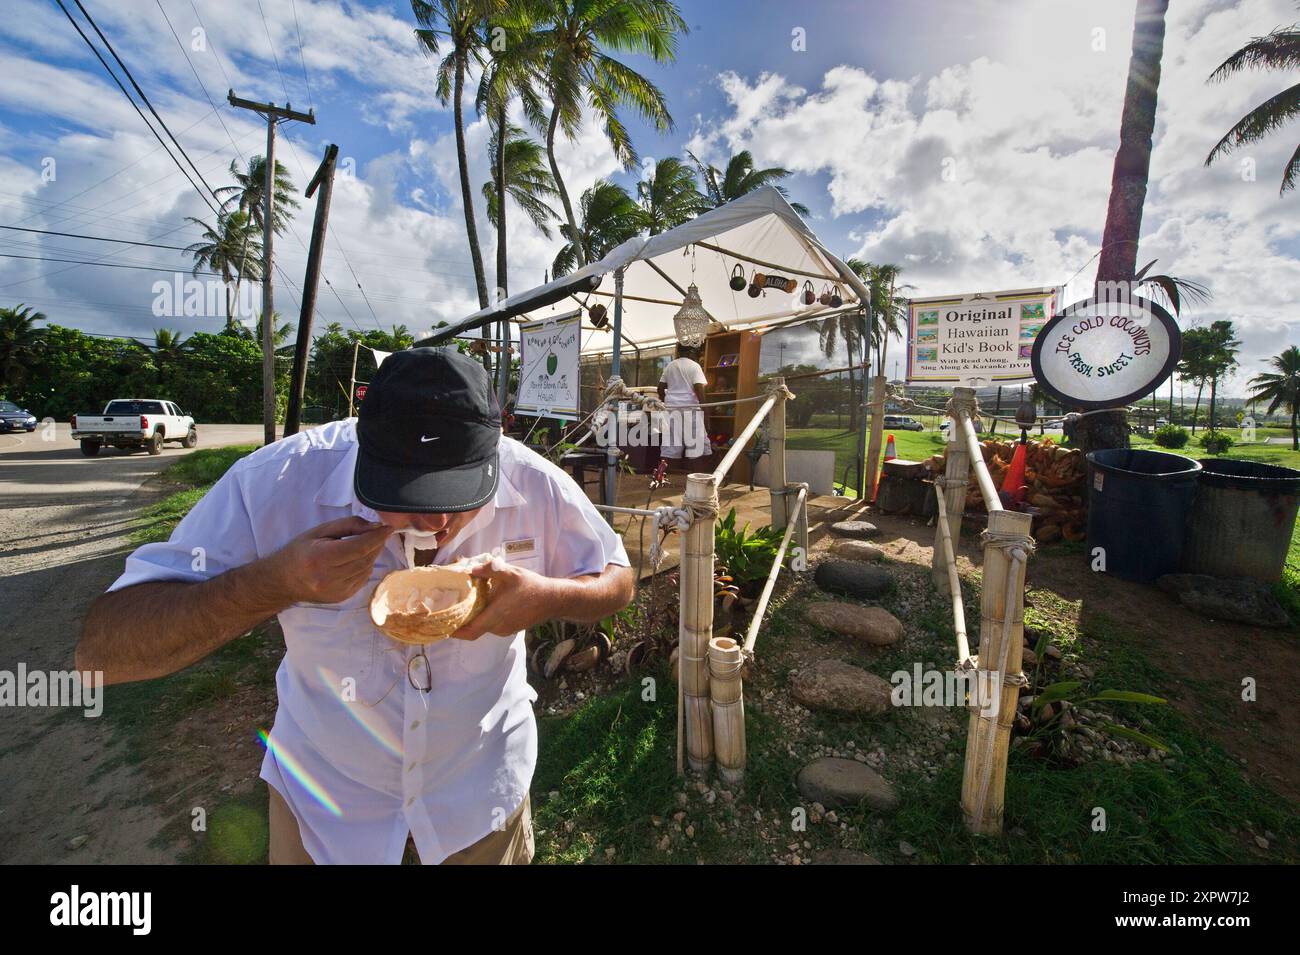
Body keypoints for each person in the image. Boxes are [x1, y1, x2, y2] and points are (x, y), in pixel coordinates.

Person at [78, 347, 634, 864]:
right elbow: (103, 654)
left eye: (460, 499)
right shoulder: (277, 483)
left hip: (482, 802)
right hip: (324, 810)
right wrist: (274, 582)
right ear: (363, 454)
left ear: (493, 455)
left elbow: (618, 577)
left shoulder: (533, 481)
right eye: (409, 500)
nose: (437, 524)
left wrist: (544, 599)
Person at [656, 343, 711, 471]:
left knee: (670, 447)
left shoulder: (670, 365)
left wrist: (666, 402)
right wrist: (706, 412)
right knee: (696, 447)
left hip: (671, 410)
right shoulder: (695, 366)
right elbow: (699, 388)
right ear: (691, 353)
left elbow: (660, 388)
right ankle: (698, 481)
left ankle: (664, 481)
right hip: (689, 409)